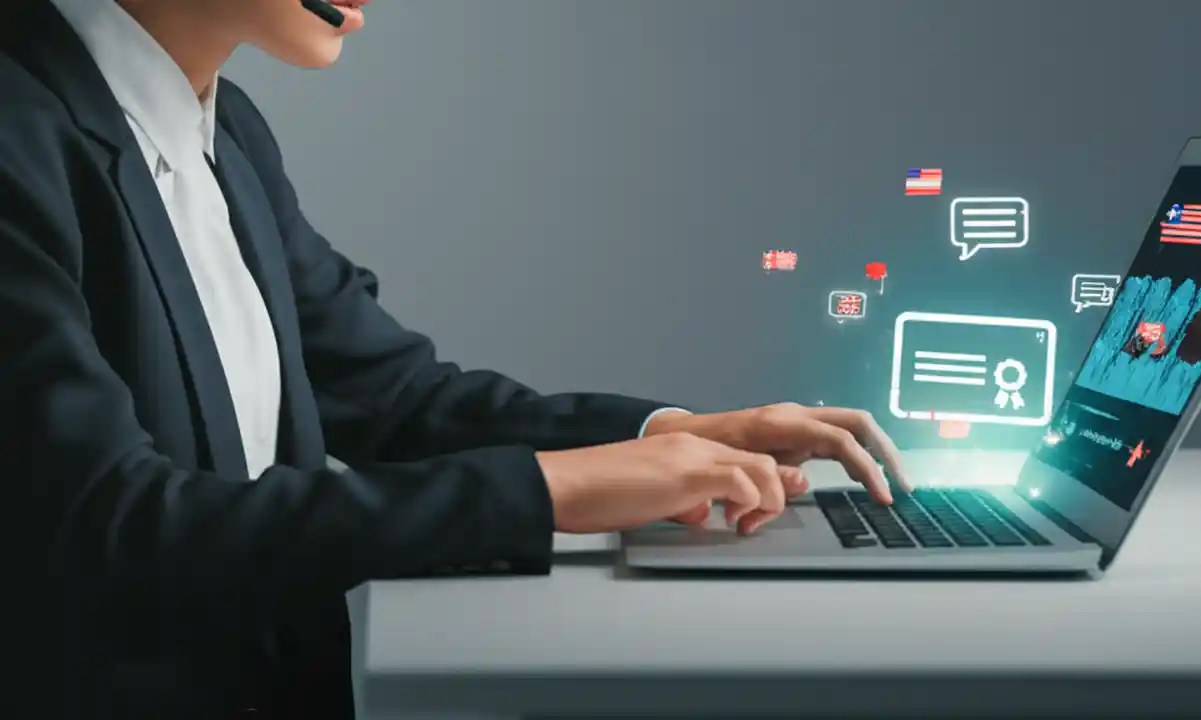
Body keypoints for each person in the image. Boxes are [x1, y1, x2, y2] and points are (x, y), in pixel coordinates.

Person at [0, 0, 910, 717]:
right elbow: (113, 525)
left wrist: (676, 432)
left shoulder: (224, 130)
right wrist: (549, 491)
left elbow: (393, 395)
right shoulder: (19, 128)